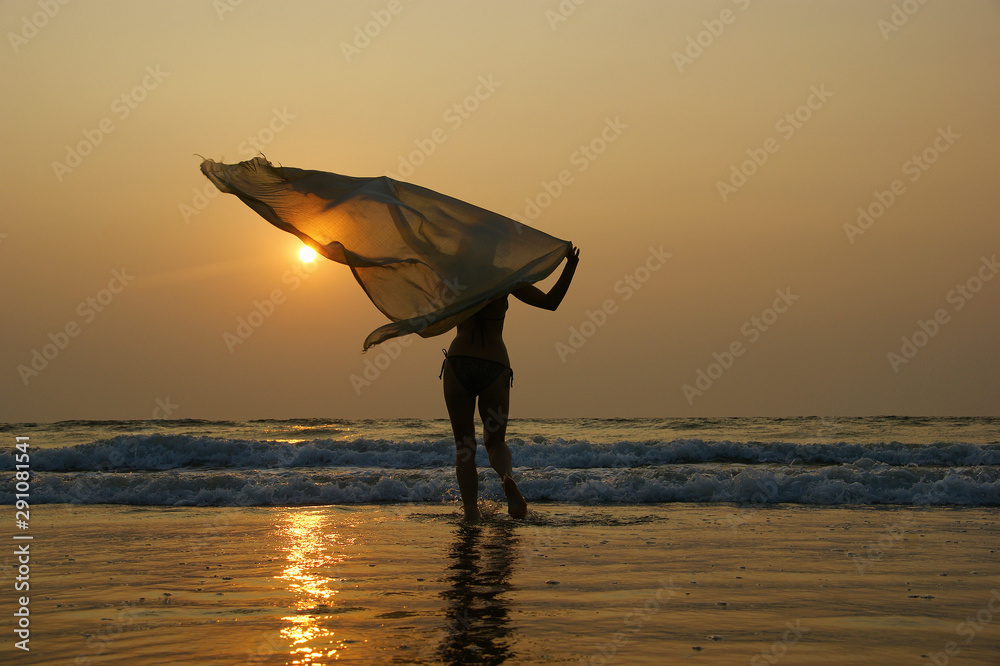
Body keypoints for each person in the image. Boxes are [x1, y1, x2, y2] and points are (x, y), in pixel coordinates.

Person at [441, 244, 580, 521]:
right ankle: (506, 478)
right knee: (495, 442)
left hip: (459, 364)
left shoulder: (454, 281)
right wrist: (570, 265)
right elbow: (551, 302)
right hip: (494, 366)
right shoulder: (505, 280)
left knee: (465, 446)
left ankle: (471, 512)